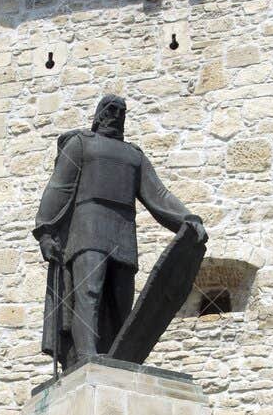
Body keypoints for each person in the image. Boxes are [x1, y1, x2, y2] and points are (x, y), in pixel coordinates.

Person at [34, 94, 207, 371]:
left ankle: (117, 357)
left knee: (120, 301)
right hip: (87, 229)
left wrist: (186, 219)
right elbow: (59, 187)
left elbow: (158, 194)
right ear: (99, 113)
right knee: (88, 292)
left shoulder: (133, 156)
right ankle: (87, 355)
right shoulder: (81, 145)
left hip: (123, 232)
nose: (115, 114)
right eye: (110, 109)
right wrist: (45, 231)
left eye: (121, 111)